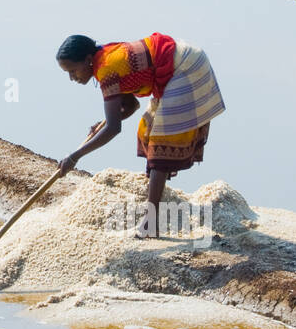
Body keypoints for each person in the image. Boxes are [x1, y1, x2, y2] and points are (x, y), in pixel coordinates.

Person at [54, 33, 225, 238]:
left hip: (186, 67)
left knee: (160, 144)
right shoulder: (103, 62)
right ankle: (152, 212)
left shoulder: (107, 69)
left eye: (73, 71)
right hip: (177, 66)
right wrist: (104, 125)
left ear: (88, 60)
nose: (72, 78)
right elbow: (131, 106)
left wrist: (75, 156)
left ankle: (150, 224)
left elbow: (114, 128)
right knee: (149, 130)